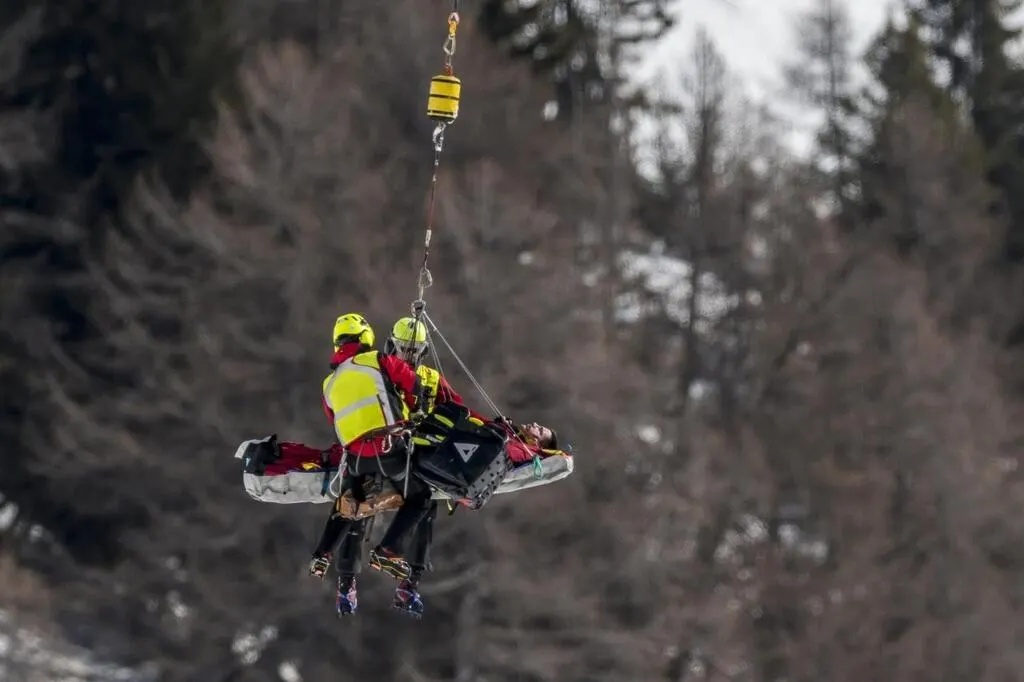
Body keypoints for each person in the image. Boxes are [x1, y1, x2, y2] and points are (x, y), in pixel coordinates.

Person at [315, 312, 442, 616]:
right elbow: (417, 390)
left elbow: (334, 418)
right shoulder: (380, 362)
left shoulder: (328, 383)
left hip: (355, 459)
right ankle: (403, 569)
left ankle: (344, 584)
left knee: (353, 508)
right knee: (424, 498)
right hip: (392, 451)